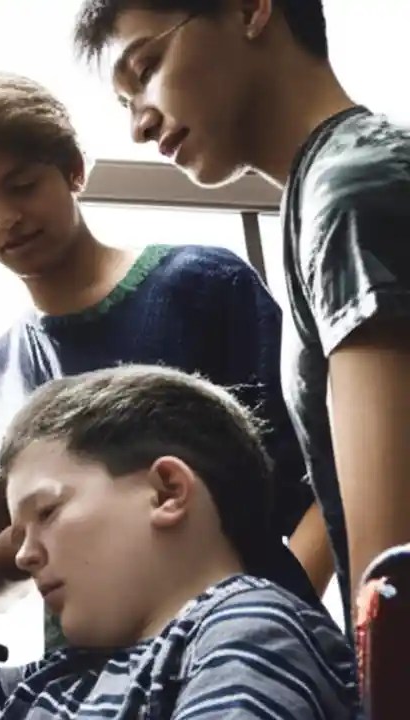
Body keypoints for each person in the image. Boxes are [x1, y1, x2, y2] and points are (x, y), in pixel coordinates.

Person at [0, 71, 324, 650]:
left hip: (243, 669)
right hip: (92, 690)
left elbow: (322, 487)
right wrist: (33, 532)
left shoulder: (204, 287)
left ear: (74, 170)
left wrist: (265, 627)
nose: (5, 219)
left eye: (22, 186)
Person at [71, 0, 410, 631]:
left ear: (252, 10)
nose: (139, 128)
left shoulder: (353, 191)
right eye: (123, 101)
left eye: (145, 67)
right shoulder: (331, 187)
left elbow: (391, 593)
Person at [0, 365, 362, 720]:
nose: (22, 555)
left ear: (167, 492)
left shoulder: (249, 626)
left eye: (46, 511)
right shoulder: (57, 677)